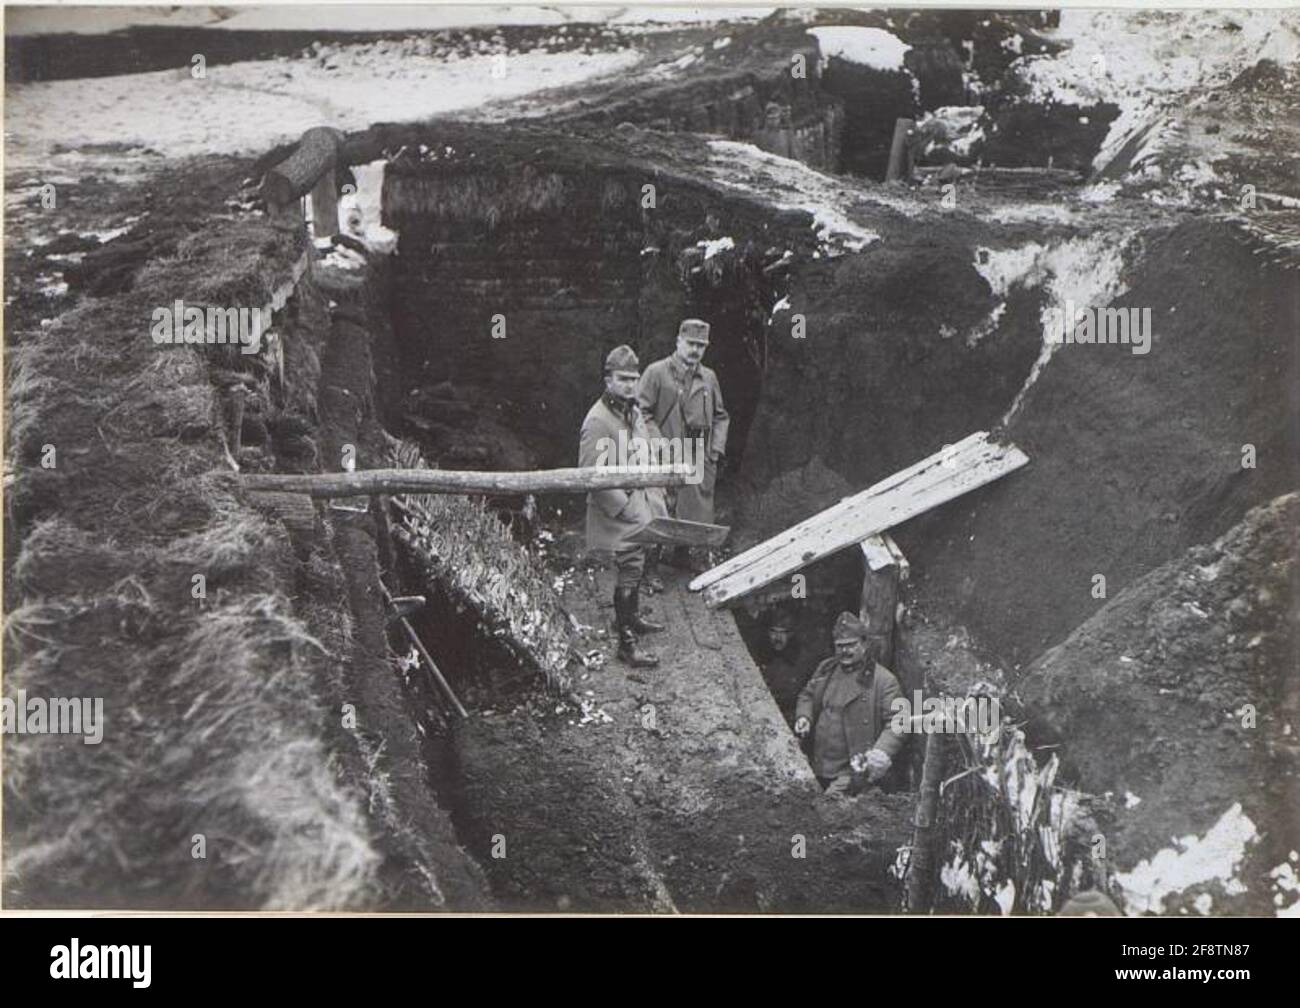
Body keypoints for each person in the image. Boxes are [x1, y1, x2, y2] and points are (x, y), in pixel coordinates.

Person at [578, 345, 666, 669]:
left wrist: (651, 491)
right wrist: (627, 508)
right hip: (614, 509)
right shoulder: (597, 421)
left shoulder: (631, 410)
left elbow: (643, 451)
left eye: (634, 378)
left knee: (638, 561)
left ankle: (632, 619)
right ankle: (626, 644)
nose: (630, 385)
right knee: (630, 567)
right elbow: (592, 477)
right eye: (622, 379)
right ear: (607, 380)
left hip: (638, 499)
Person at [637, 318, 729, 571]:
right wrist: (658, 444)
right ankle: (650, 569)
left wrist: (715, 451)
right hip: (664, 454)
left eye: (701, 346)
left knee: (692, 510)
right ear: (678, 341)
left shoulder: (709, 377)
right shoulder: (656, 373)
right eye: (690, 343)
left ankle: (681, 555)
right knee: (659, 510)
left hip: (697, 454)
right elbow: (640, 412)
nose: (695, 350)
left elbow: (721, 416)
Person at [794, 612, 904, 796]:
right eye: (840, 646)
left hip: (852, 769)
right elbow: (807, 694)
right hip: (818, 764)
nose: (845, 651)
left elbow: (899, 721)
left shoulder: (883, 680)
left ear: (864, 644)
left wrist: (879, 753)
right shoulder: (826, 668)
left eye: (851, 645)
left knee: (828, 808)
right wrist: (804, 716)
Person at [759, 609, 815, 726]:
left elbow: (809, 695)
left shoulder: (803, 660)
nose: (777, 637)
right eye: (773, 632)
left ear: (790, 634)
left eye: (783, 632)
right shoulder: (762, 655)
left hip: (793, 718)